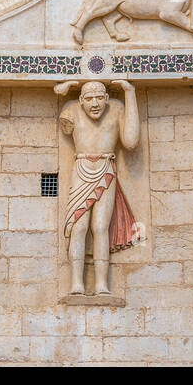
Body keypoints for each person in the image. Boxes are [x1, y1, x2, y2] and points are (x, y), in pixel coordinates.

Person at [57, 79, 140, 296]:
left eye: (100, 98)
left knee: (101, 227)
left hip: (106, 168)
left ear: (106, 98)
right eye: (89, 99)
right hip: (82, 167)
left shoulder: (117, 109)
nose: (95, 104)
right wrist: (65, 89)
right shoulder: (71, 110)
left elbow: (130, 142)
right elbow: (66, 124)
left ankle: (102, 284)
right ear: (81, 100)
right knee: (78, 226)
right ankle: (77, 284)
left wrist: (129, 93)